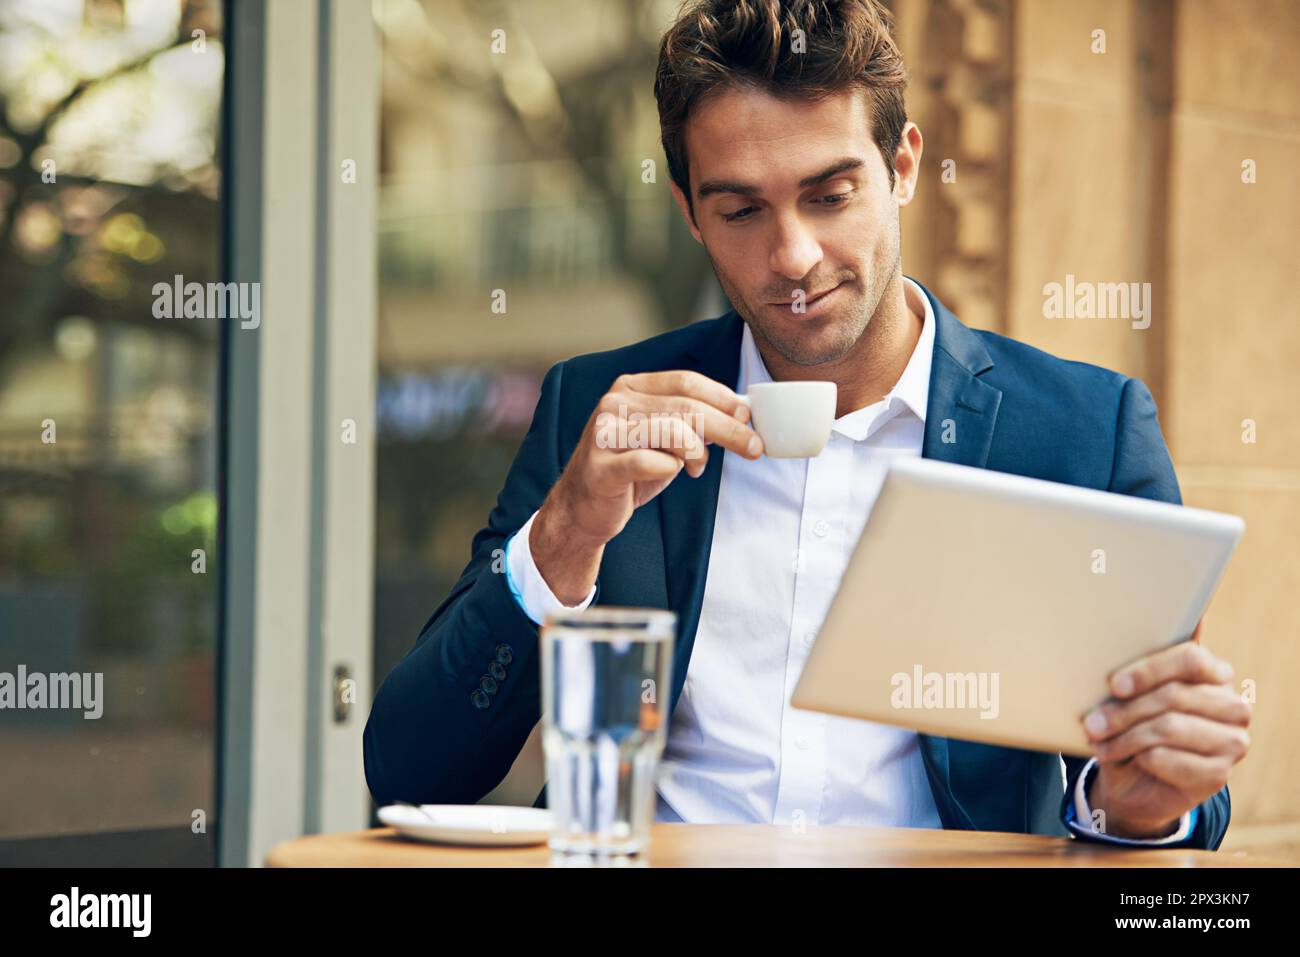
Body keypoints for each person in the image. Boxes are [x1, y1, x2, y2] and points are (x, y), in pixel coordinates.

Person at [364, 0, 1250, 848]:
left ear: (903, 166)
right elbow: (412, 765)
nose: (792, 257)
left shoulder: (1082, 432)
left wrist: (1132, 803)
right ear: (690, 214)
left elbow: (1182, 802)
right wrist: (562, 536)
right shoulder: (595, 414)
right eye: (742, 210)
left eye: (829, 195)